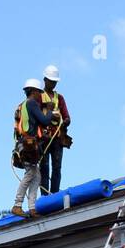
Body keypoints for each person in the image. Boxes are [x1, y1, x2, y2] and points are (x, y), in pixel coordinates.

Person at [11, 78, 60, 218]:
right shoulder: (32, 103)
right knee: (31, 174)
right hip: (28, 144)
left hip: (24, 143)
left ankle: (32, 208)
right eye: (39, 92)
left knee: (36, 175)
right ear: (33, 92)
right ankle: (17, 204)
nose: (40, 95)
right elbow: (44, 121)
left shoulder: (23, 105)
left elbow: (31, 125)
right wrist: (50, 110)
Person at [38, 64, 71, 196]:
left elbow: (67, 116)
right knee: (44, 167)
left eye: (55, 82)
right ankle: (45, 196)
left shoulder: (60, 98)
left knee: (57, 167)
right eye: (51, 81)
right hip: (44, 138)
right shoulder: (39, 97)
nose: (53, 84)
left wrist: (65, 123)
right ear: (45, 80)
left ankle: (55, 194)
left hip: (57, 137)